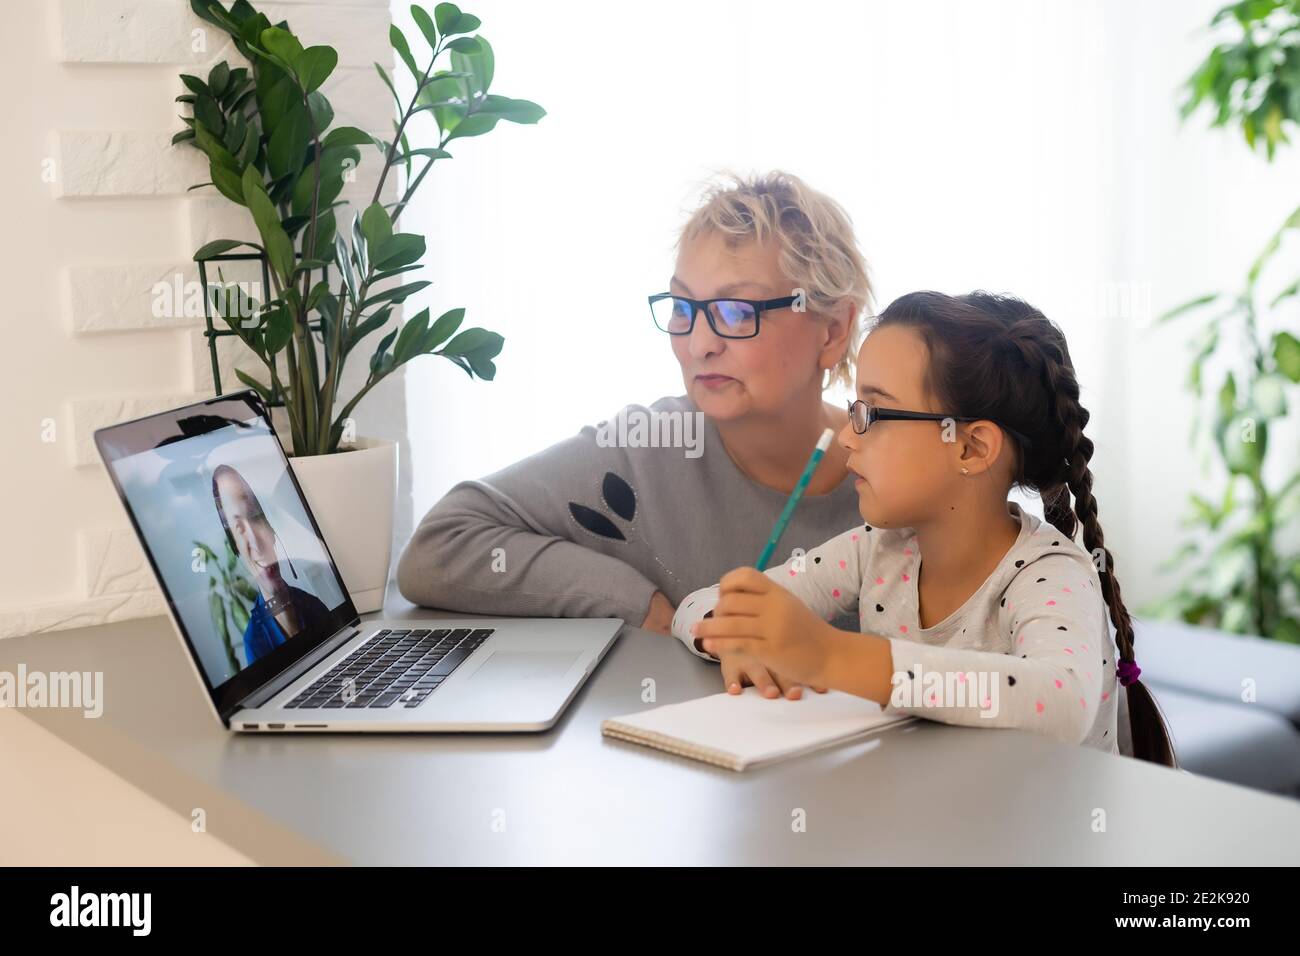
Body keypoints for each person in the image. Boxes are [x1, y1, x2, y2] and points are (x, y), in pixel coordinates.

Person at [397, 171, 870, 699]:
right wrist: (637, 603)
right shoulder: (648, 447)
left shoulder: (910, 468)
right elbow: (439, 548)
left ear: (832, 330)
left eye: (738, 312)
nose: (699, 344)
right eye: (684, 308)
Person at [686, 290, 1177, 765]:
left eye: (871, 414)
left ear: (971, 448)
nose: (844, 437)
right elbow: (699, 605)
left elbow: (1061, 702)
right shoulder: (878, 551)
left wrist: (832, 657)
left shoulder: (1049, 574)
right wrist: (735, 636)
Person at [211, 464, 331, 667]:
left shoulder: (312, 605)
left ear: (272, 530)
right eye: (238, 527)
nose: (257, 544)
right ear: (235, 547)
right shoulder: (255, 643)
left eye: (256, 517)